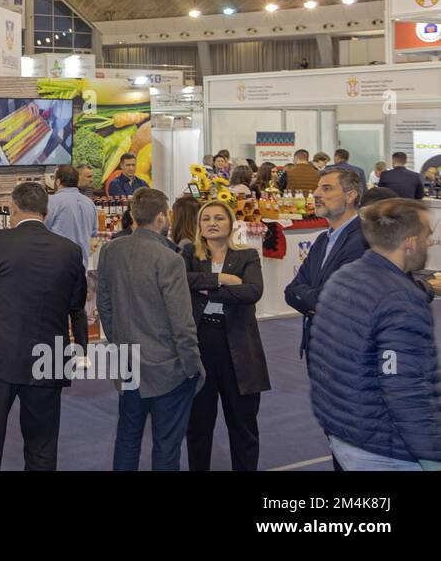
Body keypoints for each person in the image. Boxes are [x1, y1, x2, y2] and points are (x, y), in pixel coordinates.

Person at [0, 182, 88, 471]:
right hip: (48, 357)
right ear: (46, 210)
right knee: (42, 447)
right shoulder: (69, 250)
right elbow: (76, 302)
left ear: (13, 208)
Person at [310, 198, 441, 470]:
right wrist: (431, 459)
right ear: (410, 242)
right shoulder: (401, 299)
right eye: (427, 235)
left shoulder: (344, 278)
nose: (429, 242)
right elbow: (405, 390)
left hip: (345, 433)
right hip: (385, 450)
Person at [97, 187, 203, 471]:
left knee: (127, 439)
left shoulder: (110, 251)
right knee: (167, 446)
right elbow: (182, 322)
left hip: (127, 363)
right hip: (167, 368)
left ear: (132, 215)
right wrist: (193, 365)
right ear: (160, 217)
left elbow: (104, 306)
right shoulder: (170, 259)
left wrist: (118, 343)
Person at [181, 200, 270, 471]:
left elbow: (253, 292)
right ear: (199, 225)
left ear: (231, 223)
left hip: (239, 346)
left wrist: (206, 289)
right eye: (206, 218)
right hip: (201, 343)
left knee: (243, 426)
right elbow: (182, 281)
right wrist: (223, 280)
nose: (212, 223)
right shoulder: (188, 254)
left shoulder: (248, 255)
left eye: (219, 218)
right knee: (198, 426)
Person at [283, 168, 367, 359]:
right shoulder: (323, 240)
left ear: (350, 196)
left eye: (327, 188)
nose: (316, 194)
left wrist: (309, 297)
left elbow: (336, 301)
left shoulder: (362, 240)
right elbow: (290, 291)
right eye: (318, 188)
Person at [46, 164, 98, 268]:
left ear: (58, 181)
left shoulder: (51, 202)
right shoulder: (89, 203)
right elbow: (93, 235)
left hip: (58, 266)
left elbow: (42, 231)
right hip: (82, 266)